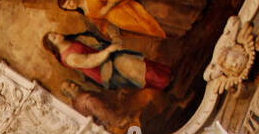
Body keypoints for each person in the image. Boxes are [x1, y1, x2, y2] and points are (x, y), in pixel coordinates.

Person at [57, 0, 204, 40]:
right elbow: (102, 24)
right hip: (130, 23)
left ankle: (194, 13)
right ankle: (187, 27)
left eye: (68, 1)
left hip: (133, 7)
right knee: (159, 24)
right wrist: (110, 31)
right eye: (67, 7)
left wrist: (107, 8)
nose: (70, 5)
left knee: (163, 11)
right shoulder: (87, 14)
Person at [43, 30, 171, 94]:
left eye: (54, 33)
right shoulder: (69, 58)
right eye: (54, 37)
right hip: (104, 70)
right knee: (132, 67)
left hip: (106, 58)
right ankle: (165, 82)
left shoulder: (70, 40)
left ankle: (167, 74)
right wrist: (109, 50)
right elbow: (91, 61)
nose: (57, 34)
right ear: (54, 46)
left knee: (134, 61)